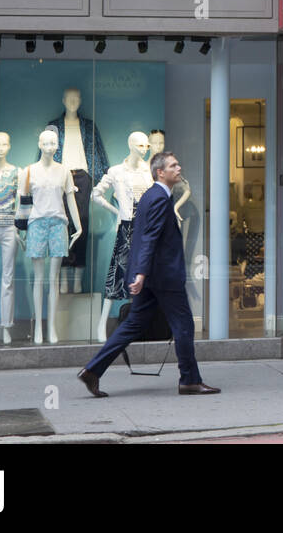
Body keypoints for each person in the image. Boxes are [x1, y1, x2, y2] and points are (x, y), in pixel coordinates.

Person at [77, 151, 220, 397]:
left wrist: (141, 273)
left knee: (134, 324)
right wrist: (141, 273)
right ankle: (189, 380)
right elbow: (149, 238)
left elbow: (145, 237)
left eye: (178, 163)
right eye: (173, 165)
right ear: (160, 172)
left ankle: (92, 371)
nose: (179, 167)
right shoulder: (159, 199)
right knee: (184, 325)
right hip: (162, 276)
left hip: (152, 276)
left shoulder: (151, 196)